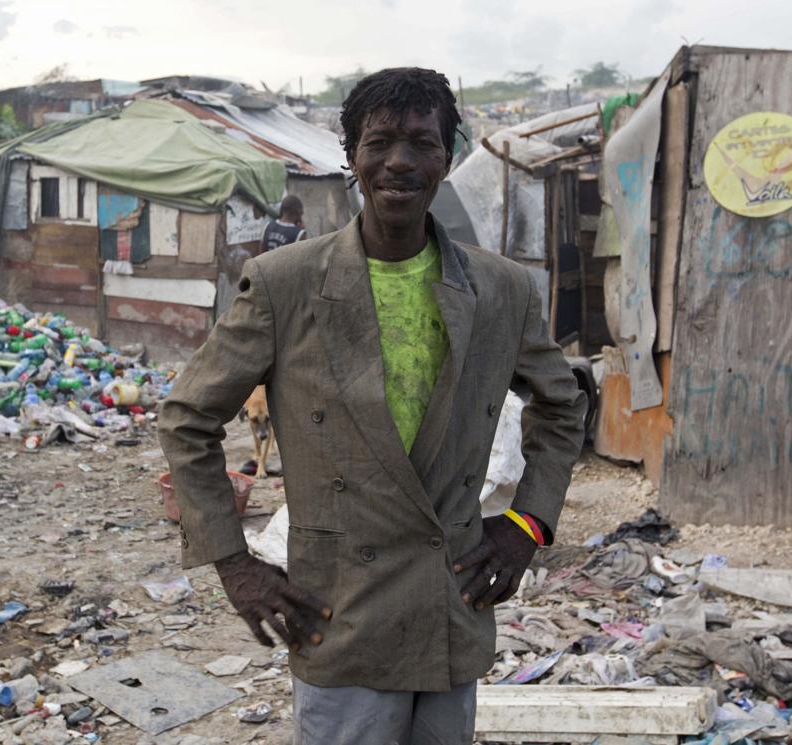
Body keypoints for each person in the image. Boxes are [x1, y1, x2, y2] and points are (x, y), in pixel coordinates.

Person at [158, 67, 587, 745]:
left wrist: (527, 523)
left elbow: (562, 407)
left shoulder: (500, 289)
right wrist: (235, 564)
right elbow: (187, 418)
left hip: (452, 603)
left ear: (447, 158)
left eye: (422, 143)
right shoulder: (285, 284)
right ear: (352, 157)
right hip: (338, 612)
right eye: (379, 142)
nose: (399, 162)